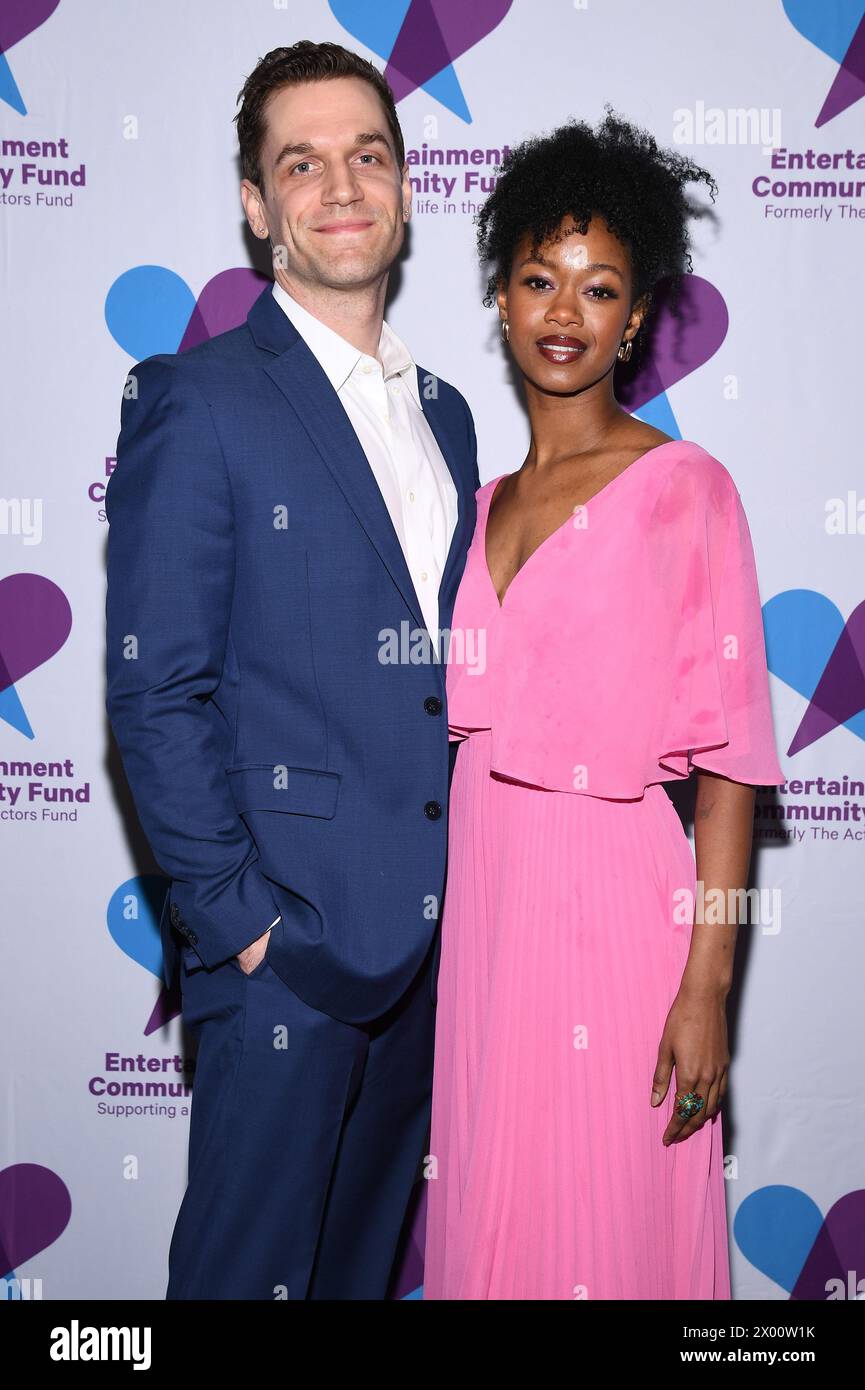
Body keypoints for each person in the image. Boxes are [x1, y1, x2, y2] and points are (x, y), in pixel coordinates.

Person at [104, 40, 479, 1300]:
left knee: (359, 1279)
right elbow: (156, 692)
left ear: (408, 187)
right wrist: (246, 927)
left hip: (433, 955)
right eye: (300, 162)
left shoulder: (449, 413)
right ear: (258, 207)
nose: (340, 185)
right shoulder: (198, 401)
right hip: (287, 959)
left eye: (367, 155)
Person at [423, 108, 786, 1300]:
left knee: (615, 1219)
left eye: (597, 287)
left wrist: (707, 983)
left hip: (620, 913)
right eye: (538, 279)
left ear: (635, 317)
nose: (563, 311)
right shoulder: (471, 509)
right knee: (495, 1214)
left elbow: (730, 764)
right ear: (502, 299)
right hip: (486, 914)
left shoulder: (688, 490)